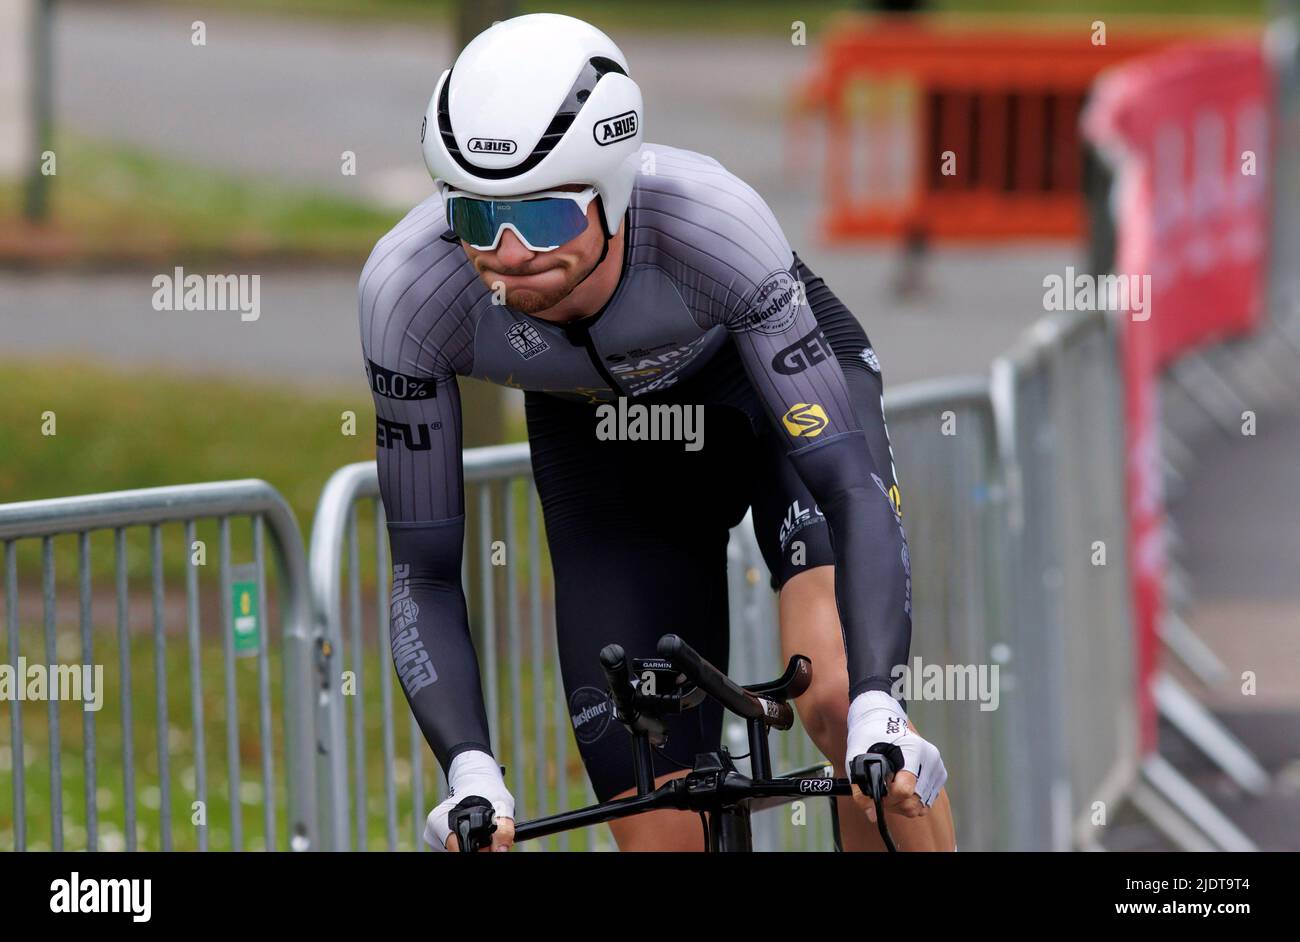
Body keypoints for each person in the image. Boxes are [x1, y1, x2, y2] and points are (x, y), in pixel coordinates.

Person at [359, 12, 955, 852]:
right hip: (605, 446)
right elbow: (421, 570)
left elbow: (851, 492)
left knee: (843, 713)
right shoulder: (408, 292)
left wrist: (879, 706)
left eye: (541, 220)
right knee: (661, 828)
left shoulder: (711, 224)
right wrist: (470, 770)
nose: (505, 254)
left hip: (758, 398)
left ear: (610, 189)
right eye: (473, 217)